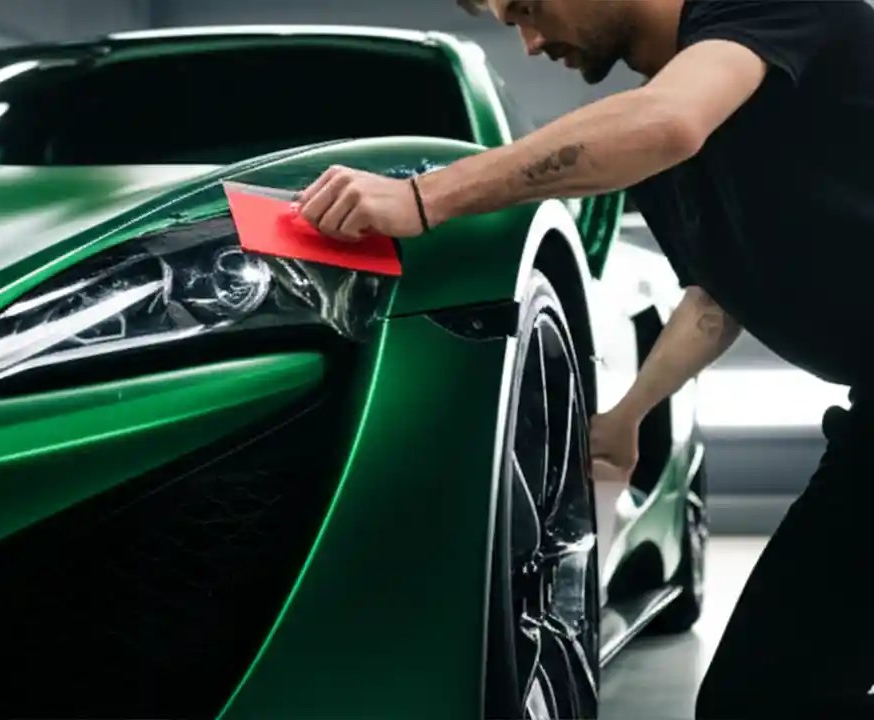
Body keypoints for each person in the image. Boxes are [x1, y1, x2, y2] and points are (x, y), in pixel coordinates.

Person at [293, 0, 874, 716]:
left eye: (527, 8)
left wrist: (424, 197)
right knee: (763, 699)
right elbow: (714, 302)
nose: (532, 44)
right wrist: (628, 415)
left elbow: (668, 121)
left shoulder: (768, 11)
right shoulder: (669, 166)